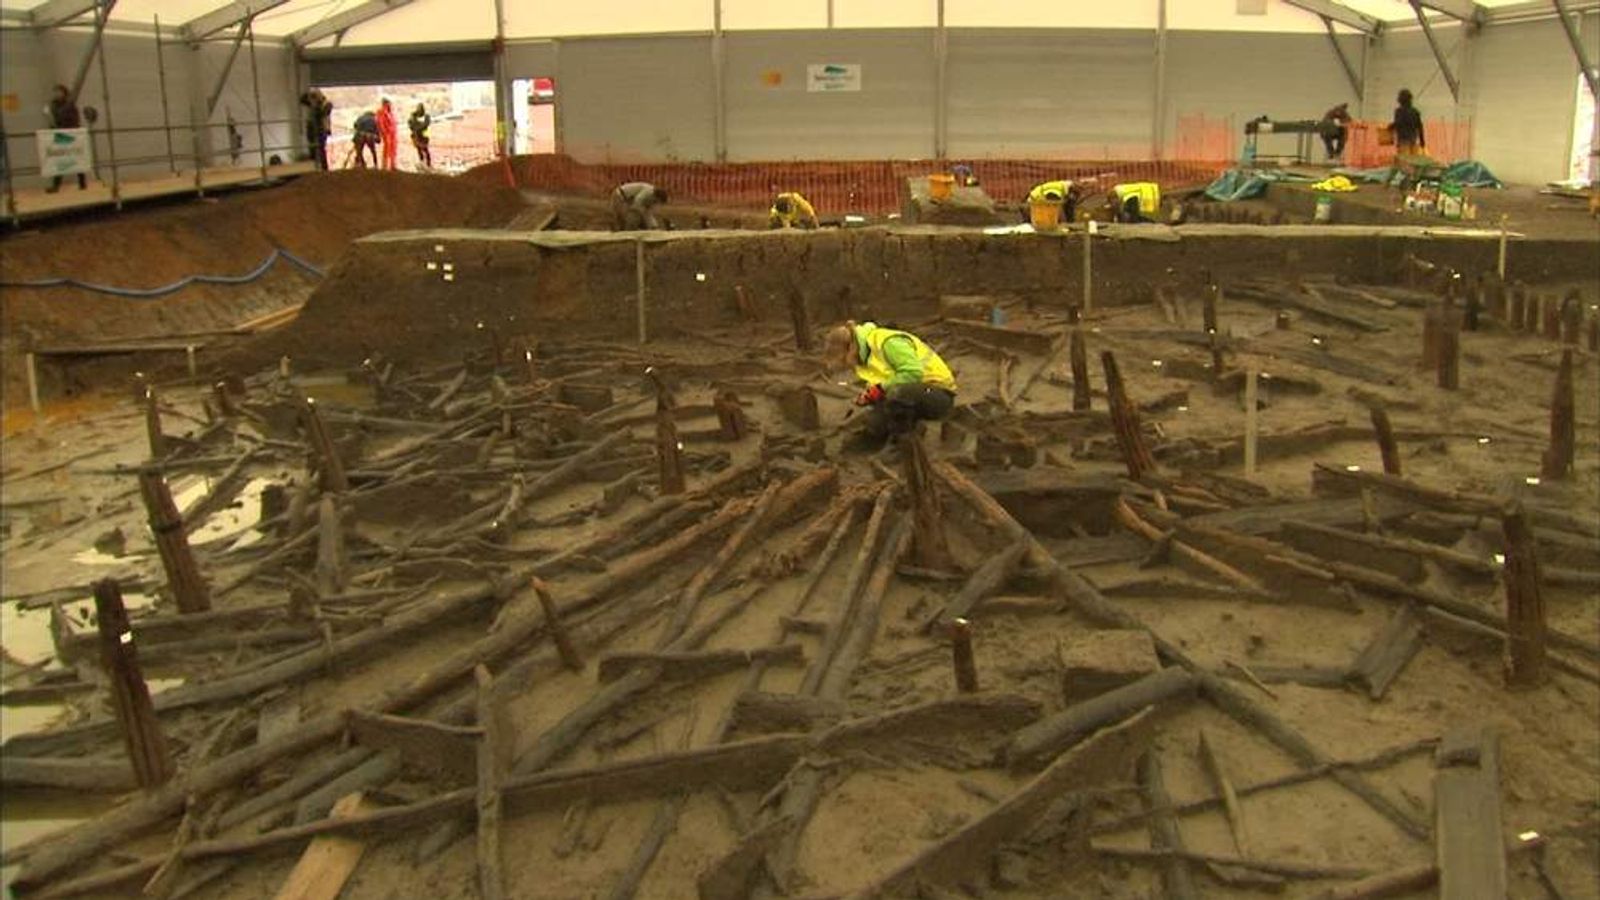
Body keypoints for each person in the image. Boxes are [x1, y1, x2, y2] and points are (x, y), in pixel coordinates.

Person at [825, 320, 958, 451]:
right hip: (910, 395)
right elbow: (884, 385)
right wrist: (870, 396)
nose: (848, 365)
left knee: (897, 393)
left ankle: (902, 444)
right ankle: (906, 432)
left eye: (844, 360)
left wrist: (881, 388)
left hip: (938, 394)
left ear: (850, 349)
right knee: (875, 423)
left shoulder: (887, 342)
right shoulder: (864, 358)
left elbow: (913, 373)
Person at [43, 84, 86, 193]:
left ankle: (82, 183)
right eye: (55, 91)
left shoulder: (70, 105)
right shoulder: (53, 105)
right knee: (60, 160)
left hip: (70, 134)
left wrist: (73, 131)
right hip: (59, 134)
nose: (57, 94)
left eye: (59, 91)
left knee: (76, 158)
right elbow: (53, 120)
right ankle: (56, 186)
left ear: (64, 93)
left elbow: (75, 119)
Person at [300, 90, 333, 170]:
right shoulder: (313, 105)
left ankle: (323, 169)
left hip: (320, 130)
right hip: (312, 129)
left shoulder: (326, 105)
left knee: (321, 150)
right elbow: (302, 100)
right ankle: (314, 168)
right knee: (313, 149)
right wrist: (310, 97)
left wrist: (316, 103)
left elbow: (323, 114)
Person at [1392, 89, 1425, 157]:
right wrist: (1422, 141)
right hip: (1413, 140)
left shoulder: (1399, 111)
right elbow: (1420, 127)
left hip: (1403, 140)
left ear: (1400, 101)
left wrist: (1390, 127)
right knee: (1413, 161)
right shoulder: (1416, 112)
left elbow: (1398, 123)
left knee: (1404, 162)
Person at [408, 103, 432, 169]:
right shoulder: (413, 115)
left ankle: (428, 163)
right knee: (418, 149)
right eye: (419, 108)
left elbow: (426, 124)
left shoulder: (426, 116)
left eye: (421, 108)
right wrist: (417, 127)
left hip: (424, 135)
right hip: (416, 135)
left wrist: (418, 127)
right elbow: (410, 124)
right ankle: (421, 161)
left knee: (425, 149)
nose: (420, 109)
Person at [376, 98, 398, 170]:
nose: (390, 105)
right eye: (388, 103)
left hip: (393, 134)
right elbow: (380, 123)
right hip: (387, 133)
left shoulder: (390, 112)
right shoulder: (381, 112)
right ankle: (384, 166)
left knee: (393, 149)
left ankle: (393, 165)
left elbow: (393, 122)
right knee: (387, 149)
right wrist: (384, 132)